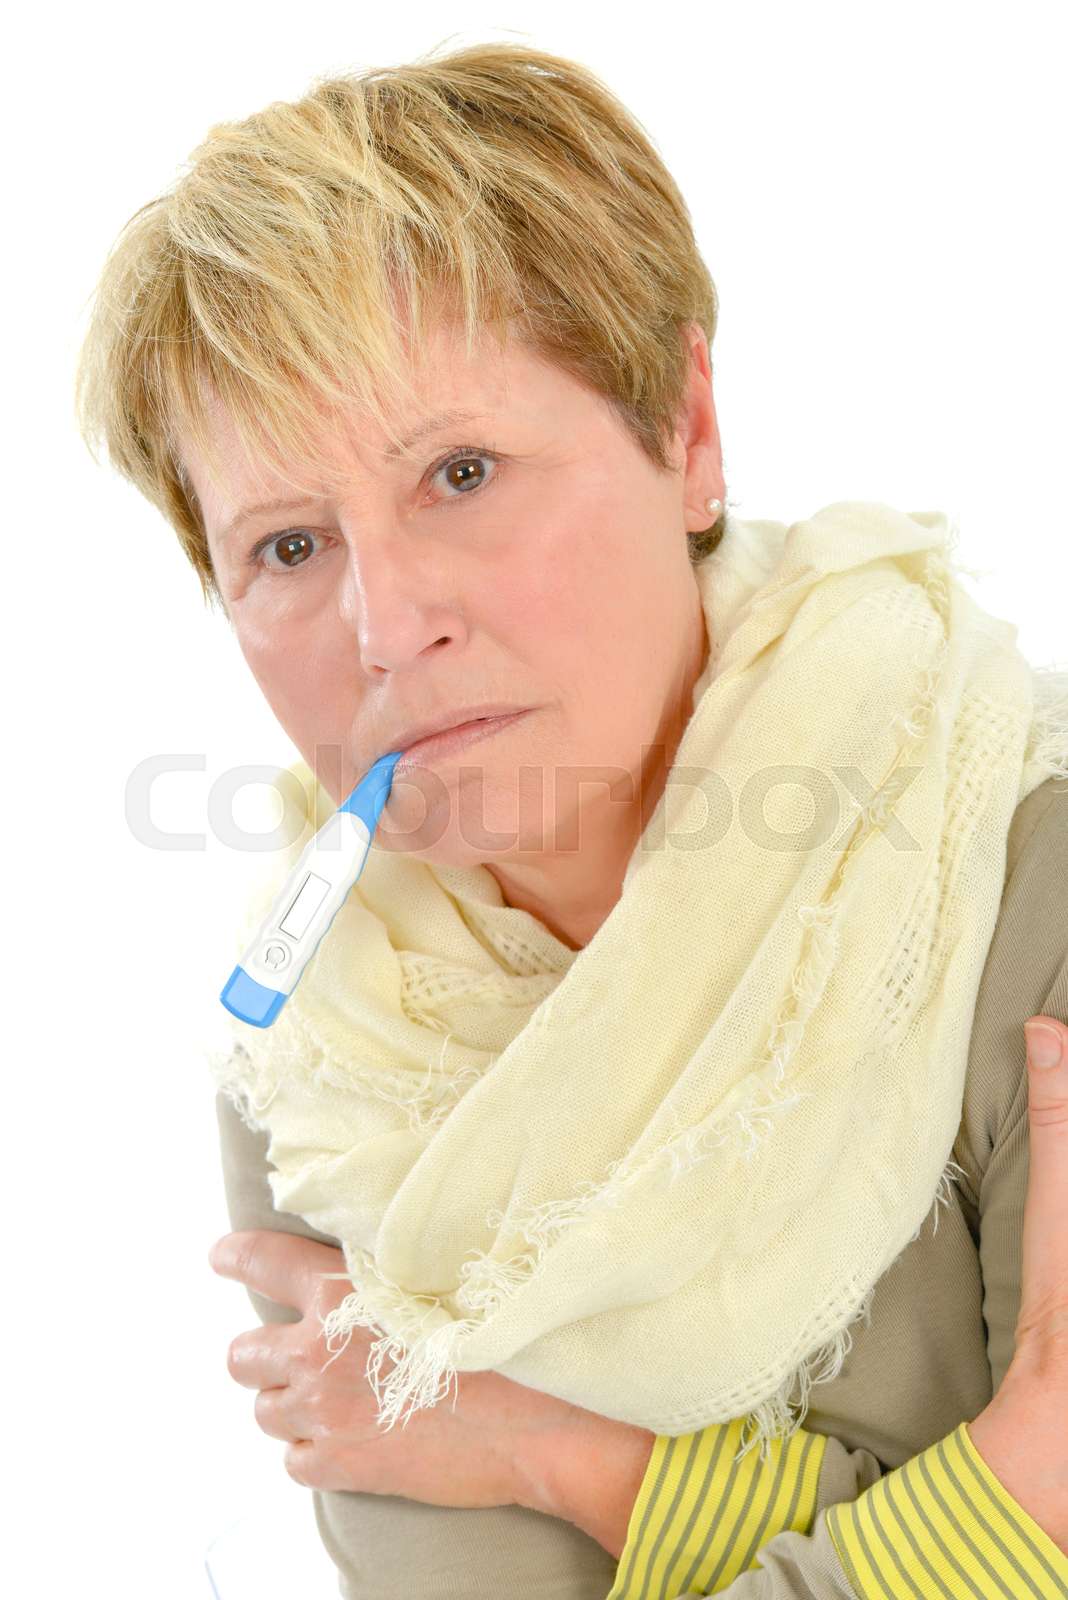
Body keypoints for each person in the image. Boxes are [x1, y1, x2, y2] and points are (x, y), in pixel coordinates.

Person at [74, 39, 1068, 1599]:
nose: (386, 627)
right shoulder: (329, 1062)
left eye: (460, 472)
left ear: (686, 435)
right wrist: (994, 1513)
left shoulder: (1024, 873)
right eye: (284, 547)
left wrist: (566, 1461)